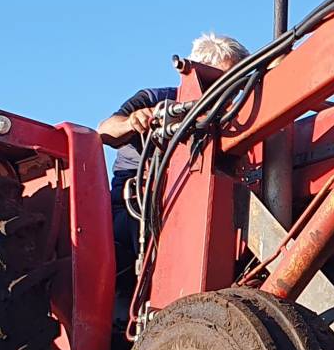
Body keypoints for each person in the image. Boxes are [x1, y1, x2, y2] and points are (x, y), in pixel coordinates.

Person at [97, 32, 248, 308]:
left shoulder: (233, 117)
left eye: (237, 84)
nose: (232, 92)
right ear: (198, 73)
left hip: (197, 203)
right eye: (224, 80)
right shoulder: (157, 99)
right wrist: (132, 121)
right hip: (137, 206)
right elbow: (105, 131)